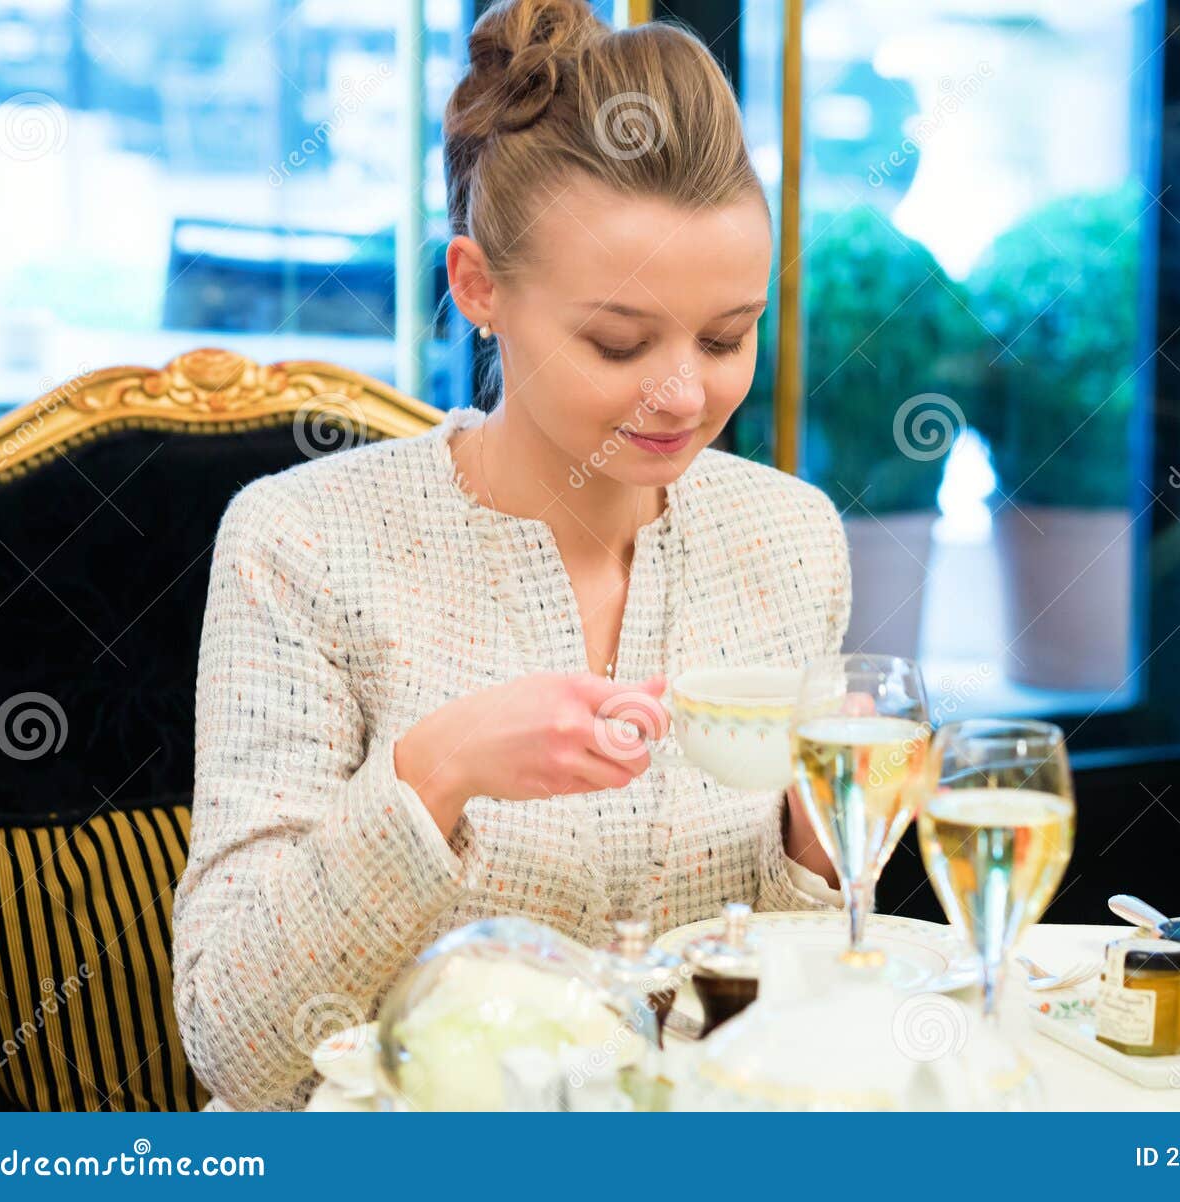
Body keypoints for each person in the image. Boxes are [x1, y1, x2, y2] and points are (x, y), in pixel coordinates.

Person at [172, 0, 848, 1111]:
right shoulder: (300, 541)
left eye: (727, 335)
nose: (685, 394)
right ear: (479, 287)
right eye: (619, 341)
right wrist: (434, 771)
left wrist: (825, 854)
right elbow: (237, 1047)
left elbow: (775, 1026)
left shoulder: (790, 537)